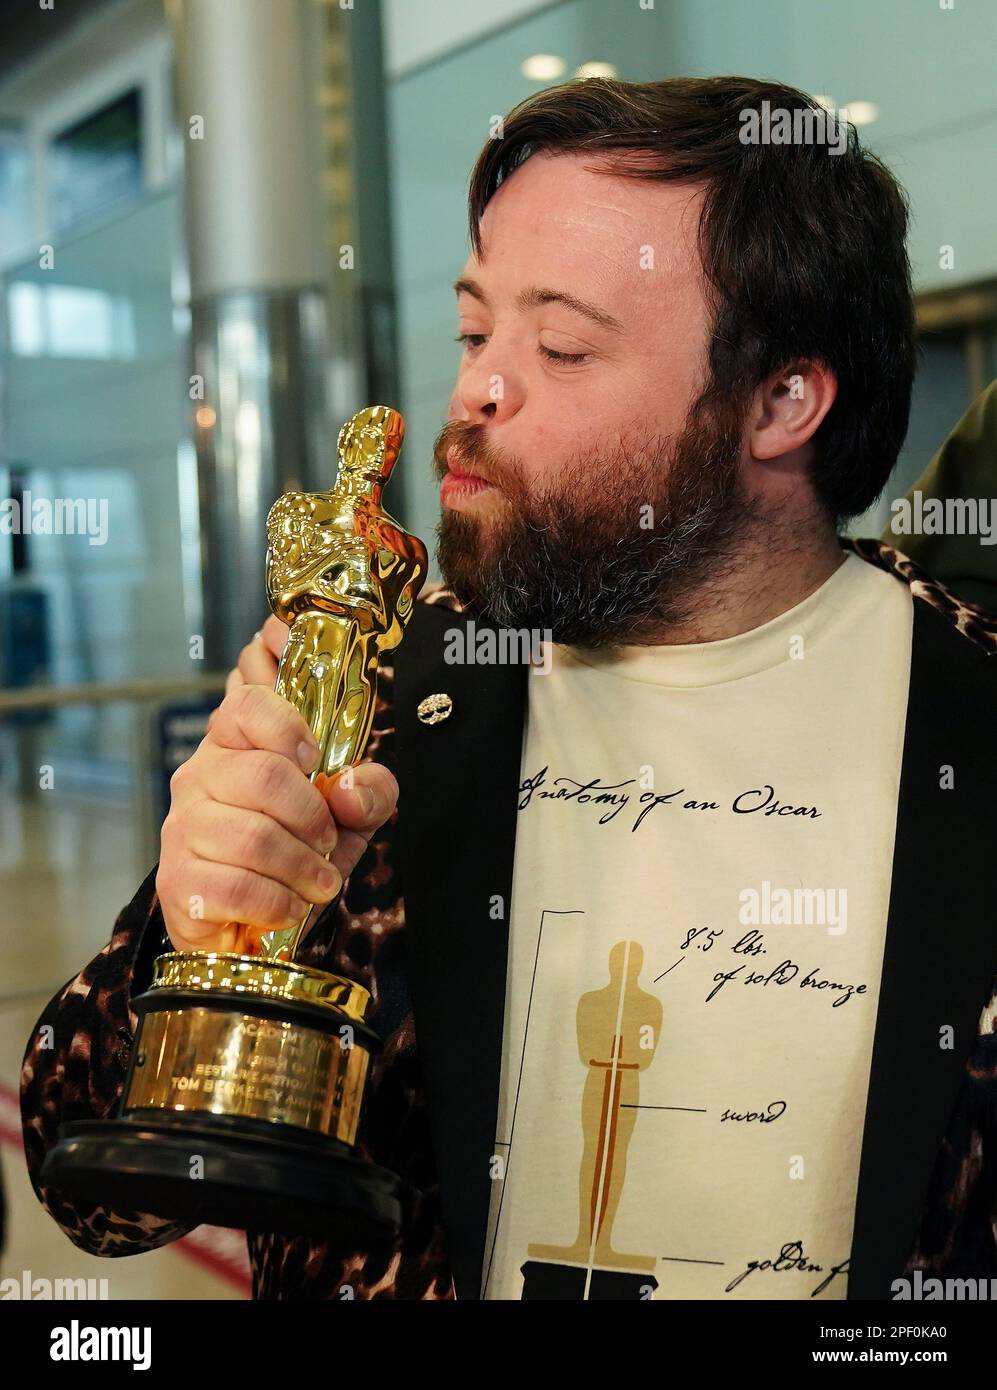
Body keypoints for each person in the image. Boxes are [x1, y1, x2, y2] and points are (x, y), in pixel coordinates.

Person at [21, 76, 997, 1301]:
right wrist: (198, 919)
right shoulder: (387, 693)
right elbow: (93, 1189)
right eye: (475, 333)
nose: (478, 391)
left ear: (781, 401)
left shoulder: (969, 715)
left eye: (563, 347)